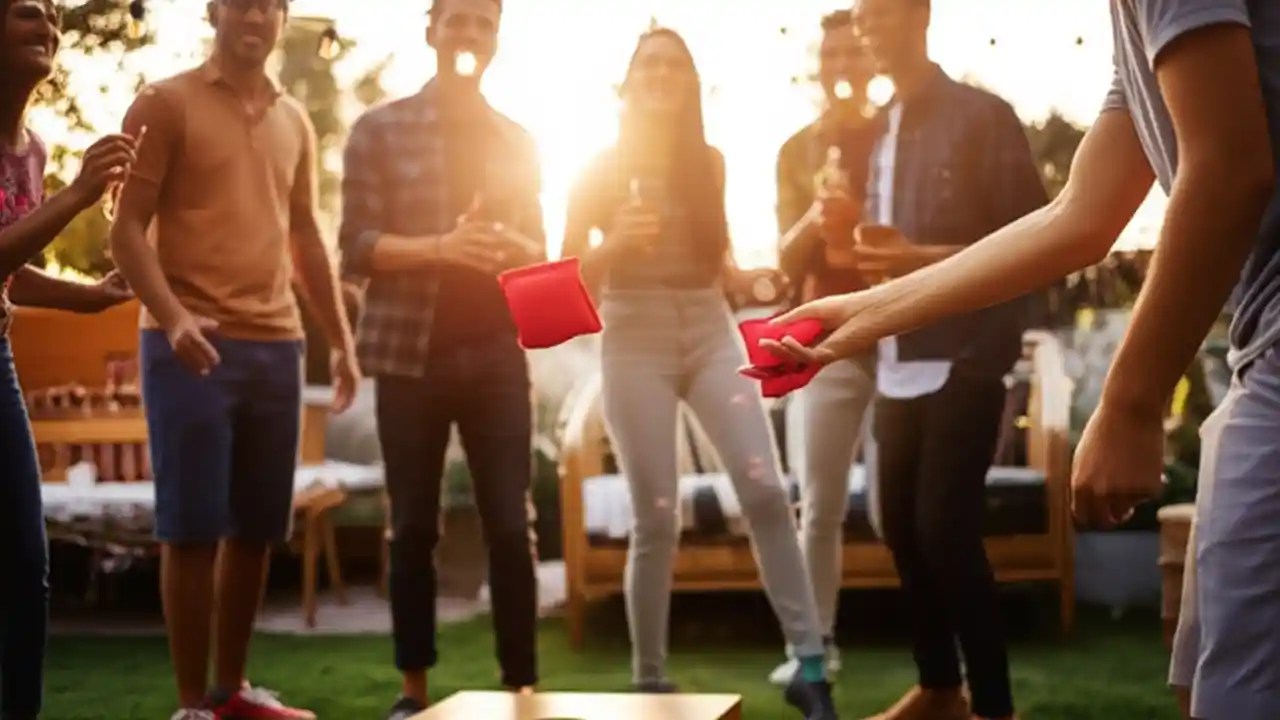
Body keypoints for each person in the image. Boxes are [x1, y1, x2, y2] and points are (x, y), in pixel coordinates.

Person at [769, 1, 1277, 719]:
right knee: (1205, 677)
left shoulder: (980, 113)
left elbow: (1228, 167)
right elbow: (1079, 214)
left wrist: (1132, 401)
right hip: (1259, 354)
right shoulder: (1134, 34)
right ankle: (945, 689)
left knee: (1238, 692)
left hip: (1260, 354)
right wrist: (854, 318)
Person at [775, 1, 1047, 719]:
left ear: (920, 14)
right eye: (860, 18)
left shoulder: (983, 116)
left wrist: (910, 261)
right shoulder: (883, 127)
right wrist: (870, 261)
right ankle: (938, 688)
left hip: (967, 352)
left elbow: (1034, 238)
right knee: (898, 523)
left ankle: (994, 706)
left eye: (880, 14)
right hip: (897, 356)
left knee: (945, 530)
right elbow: (875, 251)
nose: (867, 29)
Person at [561, 26, 838, 720]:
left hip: (709, 325)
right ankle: (649, 680)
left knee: (764, 489)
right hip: (633, 330)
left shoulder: (708, 162)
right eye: (649, 65)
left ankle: (810, 666)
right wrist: (614, 246)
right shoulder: (597, 168)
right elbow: (563, 277)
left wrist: (749, 279)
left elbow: (720, 261)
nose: (661, 75)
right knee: (657, 514)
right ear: (629, 83)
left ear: (689, 84)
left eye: (675, 66)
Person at [108, 0, 361, 718]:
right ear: (214, 10)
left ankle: (231, 693)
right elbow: (125, 231)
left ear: (283, 17)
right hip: (189, 344)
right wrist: (174, 316)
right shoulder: (165, 103)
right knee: (190, 528)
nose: (255, 15)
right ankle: (192, 704)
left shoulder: (294, 120)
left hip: (277, 345)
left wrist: (340, 341)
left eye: (270, 4)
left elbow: (307, 237)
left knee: (256, 529)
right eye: (240, 1)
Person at [338, 0, 545, 716]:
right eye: (456, 18)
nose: (468, 33)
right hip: (407, 355)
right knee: (415, 525)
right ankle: (413, 693)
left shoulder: (517, 139)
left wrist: (502, 246)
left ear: (496, 40)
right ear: (431, 30)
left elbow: (538, 252)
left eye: (483, 22)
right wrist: (441, 248)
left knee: (511, 526)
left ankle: (522, 689)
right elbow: (356, 246)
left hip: (496, 353)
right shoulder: (378, 130)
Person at [0, 2, 139, 718]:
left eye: (55, 14)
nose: (47, 25)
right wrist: (82, 194)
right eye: (28, 12)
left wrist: (91, 298)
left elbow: (10, 270)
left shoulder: (32, 151)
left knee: (26, 564)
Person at [769, 8, 880, 687]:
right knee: (821, 501)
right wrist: (816, 215)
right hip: (827, 343)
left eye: (853, 53)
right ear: (819, 65)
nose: (841, 66)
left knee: (908, 506)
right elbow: (784, 258)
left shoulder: (901, 131)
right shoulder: (796, 150)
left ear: (871, 62)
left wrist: (860, 220)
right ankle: (818, 646)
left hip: (900, 329)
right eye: (830, 55)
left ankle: (940, 650)